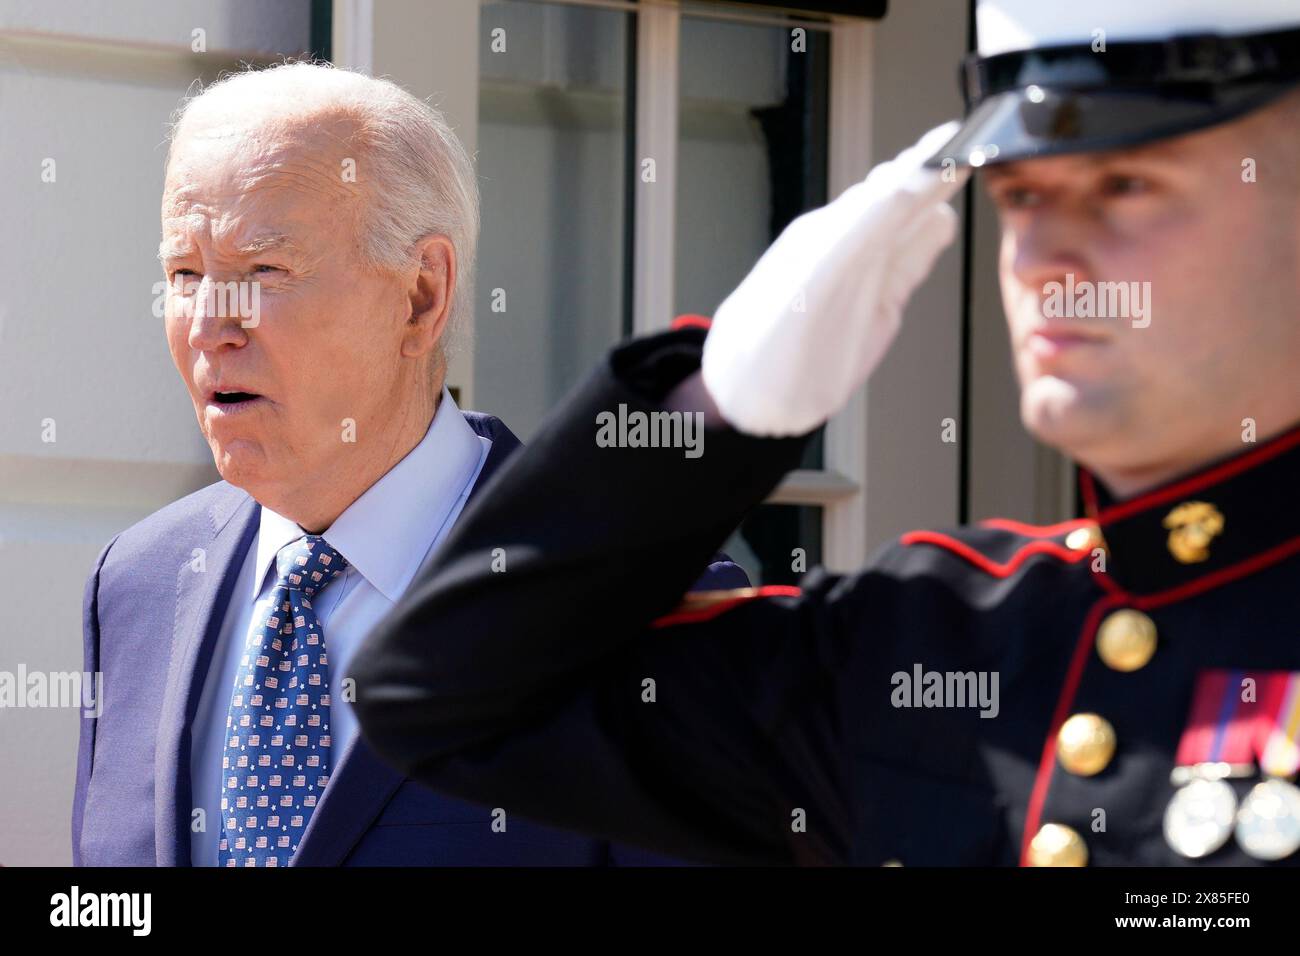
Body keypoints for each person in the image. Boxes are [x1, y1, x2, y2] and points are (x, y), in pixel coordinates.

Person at [351, 1, 1300, 866]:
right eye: (1019, 195)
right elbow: (444, 702)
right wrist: (716, 407)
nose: (1046, 256)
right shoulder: (941, 638)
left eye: (1125, 183)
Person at [73, 62, 742, 867]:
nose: (211, 325)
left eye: (263, 271)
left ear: (422, 295)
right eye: (185, 274)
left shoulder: (645, 613)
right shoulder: (138, 583)